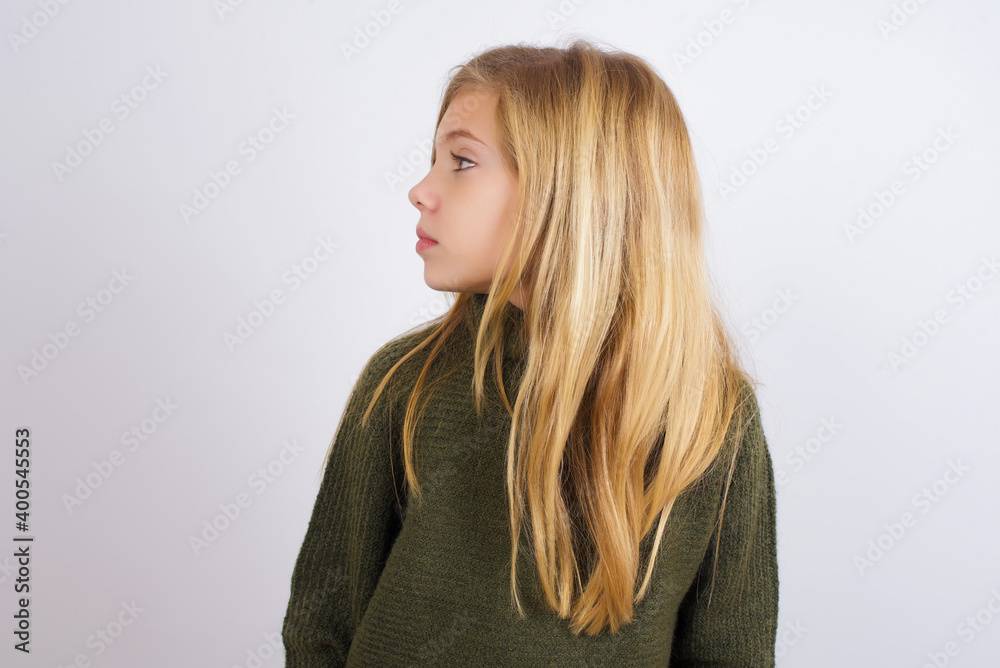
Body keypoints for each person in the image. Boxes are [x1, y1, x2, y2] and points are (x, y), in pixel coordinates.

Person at [282, 38, 779, 666]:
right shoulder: (405, 384)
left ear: (570, 189)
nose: (420, 190)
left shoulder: (707, 417)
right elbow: (319, 630)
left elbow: (731, 651)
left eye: (460, 162)